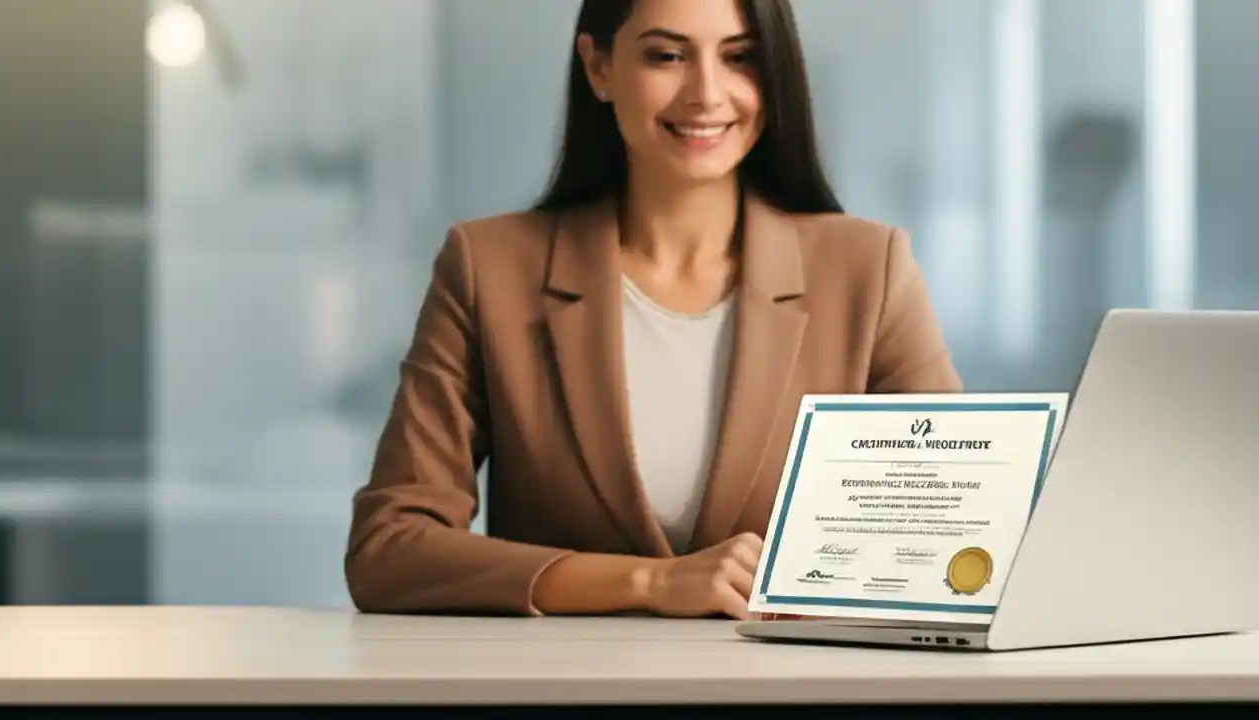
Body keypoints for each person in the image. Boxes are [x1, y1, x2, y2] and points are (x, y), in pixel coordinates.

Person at [343, 0, 962, 620]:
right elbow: (388, 549)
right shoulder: (490, 268)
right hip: (564, 674)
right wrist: (650, 582)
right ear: (599, 68)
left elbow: (954, 536)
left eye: (740, 58)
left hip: (798, 674)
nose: (706, 94)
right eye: (666, 56)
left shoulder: (868, 270)